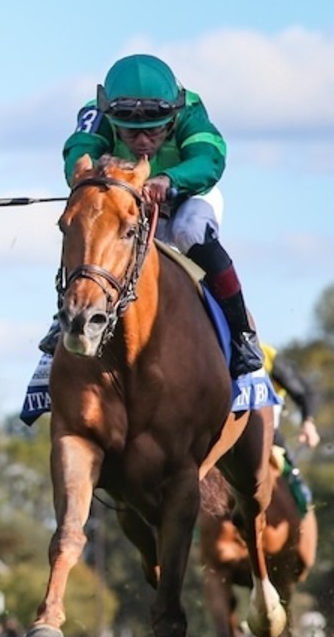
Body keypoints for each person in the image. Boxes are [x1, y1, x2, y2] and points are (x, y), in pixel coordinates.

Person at [42, 53, 264, 377]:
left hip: (188, 195)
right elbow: (78, 158)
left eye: (153, 130)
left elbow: (210, 159)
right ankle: (68, 311)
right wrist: (104, 182)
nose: (143, 141)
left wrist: (170, 180)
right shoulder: (95, 113)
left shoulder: (190, 110)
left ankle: (242, 331)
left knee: (190, 230)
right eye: (131, 133)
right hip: (126, 200)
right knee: (91, 228)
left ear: (172, 117)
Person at [263, 342, 322, 509]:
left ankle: (300, 498)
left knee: (286, 464)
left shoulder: (267, 355)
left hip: (266, 429)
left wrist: (308, 423)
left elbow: (303, 393)